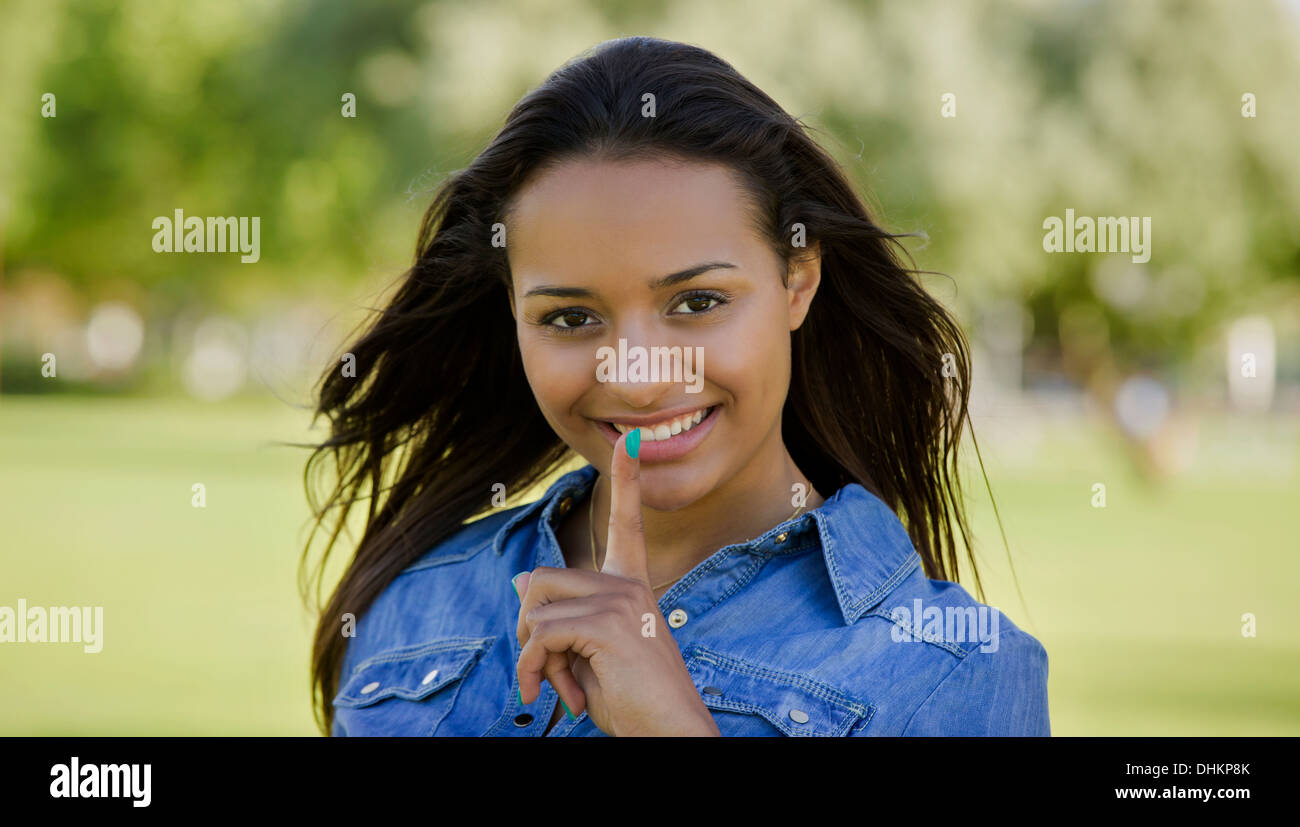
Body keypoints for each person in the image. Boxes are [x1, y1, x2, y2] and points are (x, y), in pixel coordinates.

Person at [304, 35, 1050, 737]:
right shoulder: (414, 609)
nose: (638, 376)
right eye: (569, 316)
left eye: (696, 303)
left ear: (798, 279)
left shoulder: (957, 671)